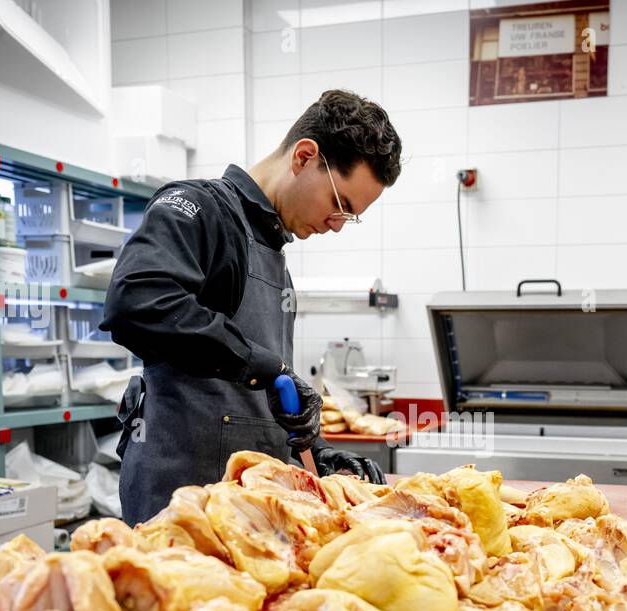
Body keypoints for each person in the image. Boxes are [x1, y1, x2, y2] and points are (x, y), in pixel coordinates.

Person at [103, 90, 402, 524]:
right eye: (340, 206)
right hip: (182, 505)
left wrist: (316, 450)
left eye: (349, 217)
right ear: (304, 157)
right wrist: (264, 365)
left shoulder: (276, 260)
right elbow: (137, 301)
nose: (337, 226)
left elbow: (256, 396)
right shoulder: (199, 210)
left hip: (249, 510)